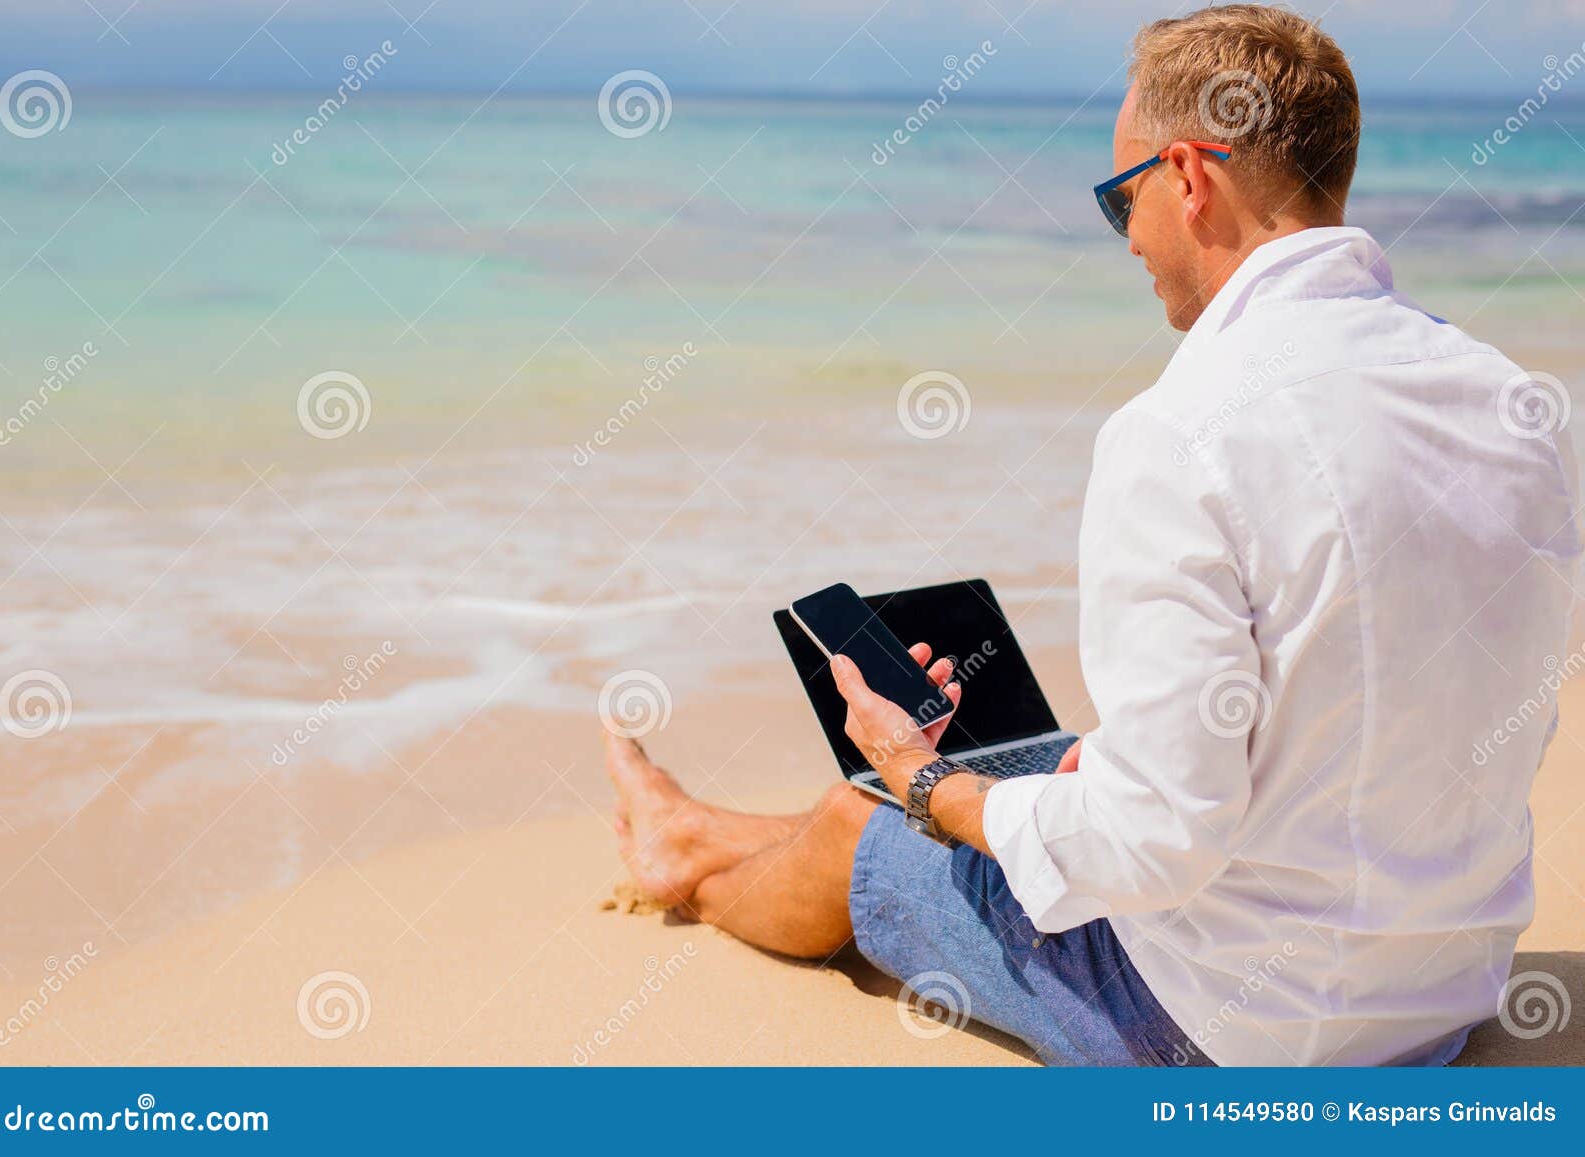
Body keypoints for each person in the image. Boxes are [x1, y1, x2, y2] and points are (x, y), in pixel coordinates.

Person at [605, 3, 1580, 1065]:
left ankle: (683, 859)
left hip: (1233, 1029)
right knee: (1041, 773)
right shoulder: (1507, 400)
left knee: (864, 820)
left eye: (1123, 202)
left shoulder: (1179, 431)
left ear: (1188, 179)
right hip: (1441, 988)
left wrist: (931, 784)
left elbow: (1155, 841)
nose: (1129, 241)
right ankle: (705, 828)